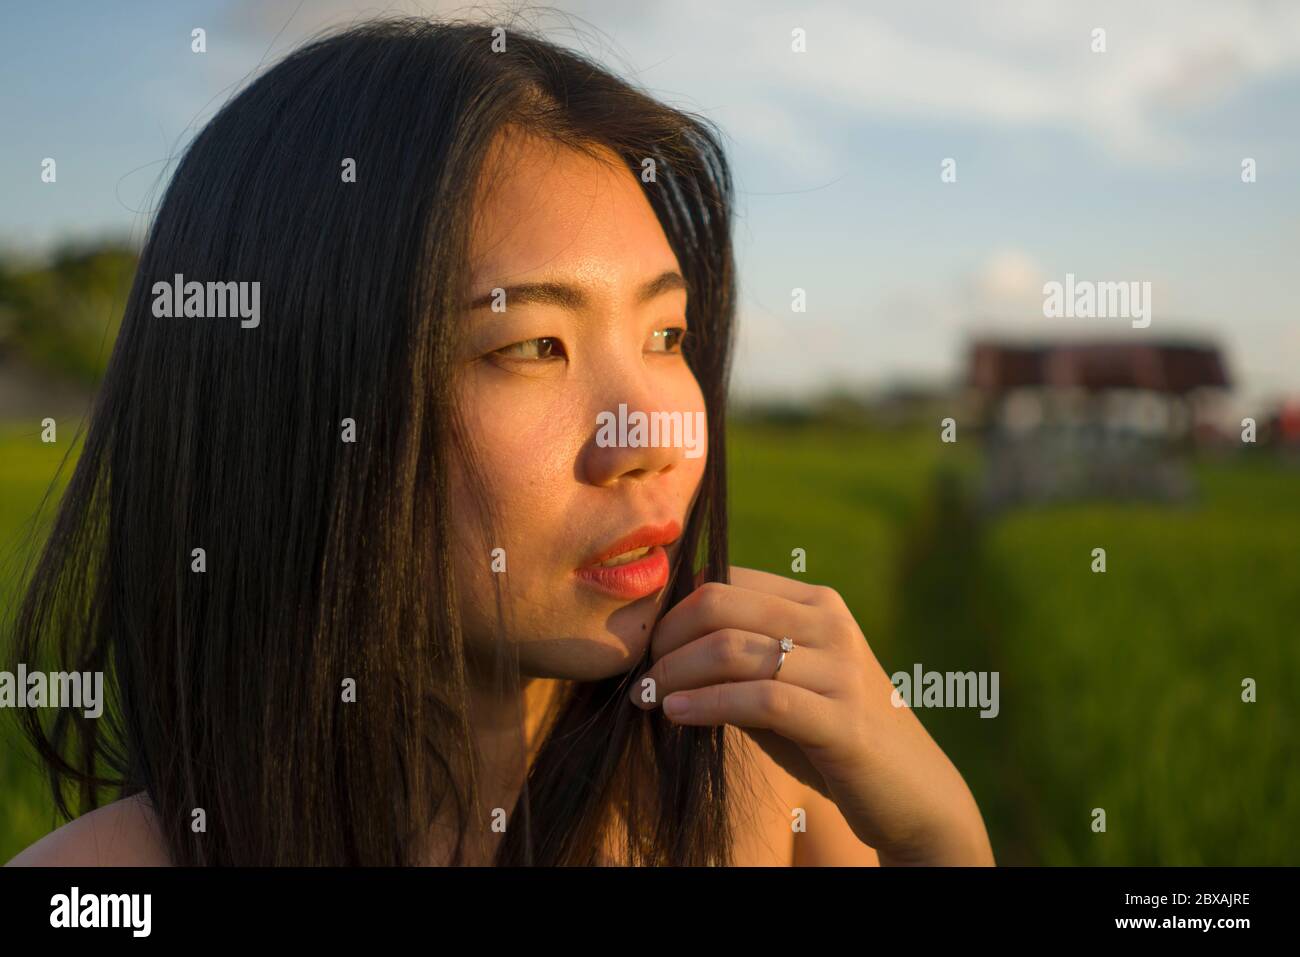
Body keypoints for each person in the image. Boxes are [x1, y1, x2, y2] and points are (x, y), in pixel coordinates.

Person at [6, 17, 993, 867]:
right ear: (301, 405)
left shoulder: (767, 799)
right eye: (534, 346)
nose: (648, 434)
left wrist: (937, 835)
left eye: (666, 335)